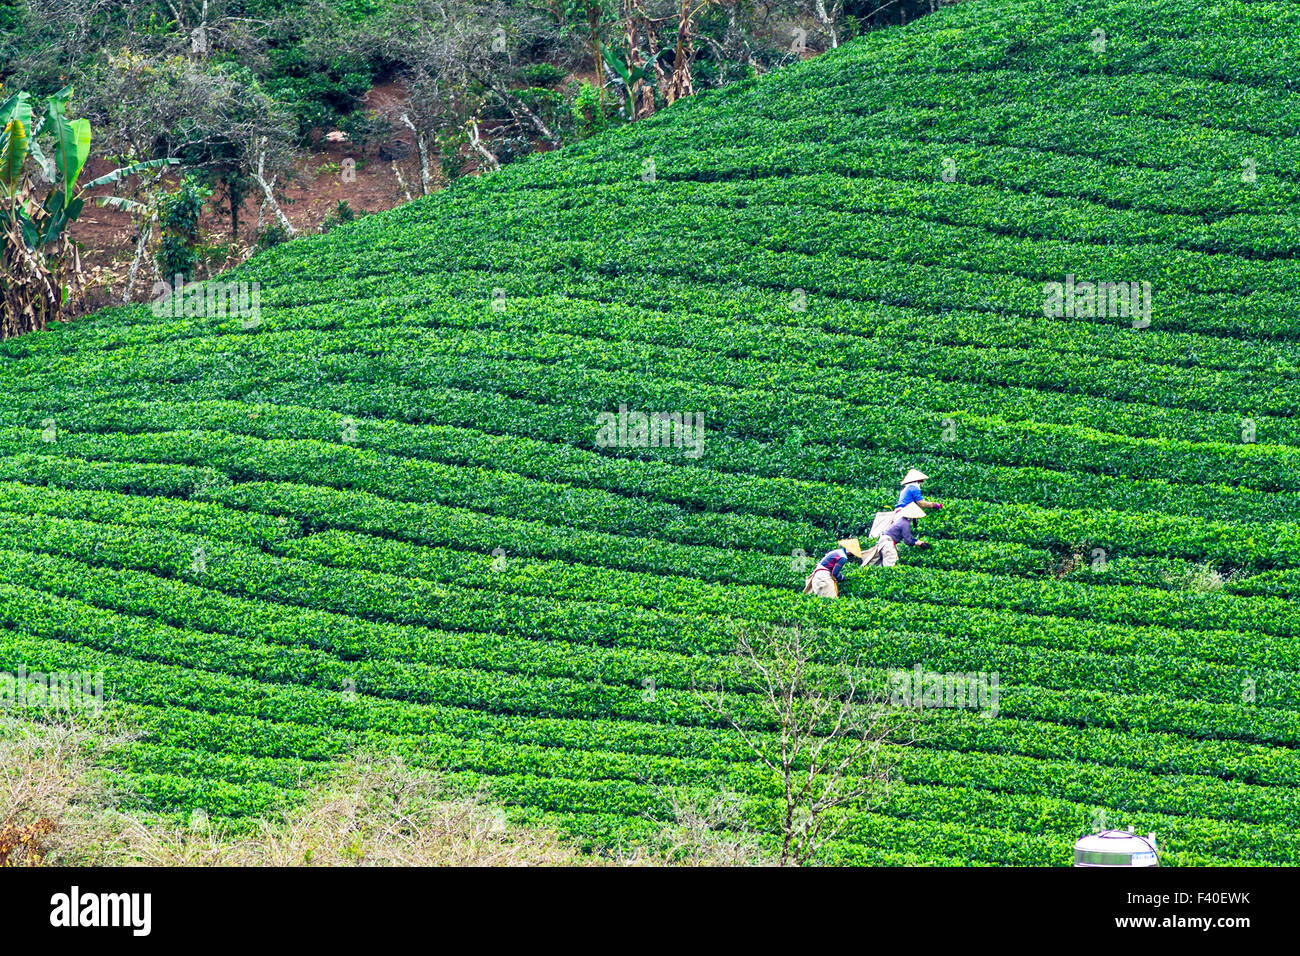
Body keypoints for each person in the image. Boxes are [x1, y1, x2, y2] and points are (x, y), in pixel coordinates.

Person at [862, 502, 930, 567]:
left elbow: (909, 536)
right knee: (890, 565)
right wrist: (919, 544)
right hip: (887, 542)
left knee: (876, 562)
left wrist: (918, 541)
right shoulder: (905, 523)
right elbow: (907, 541)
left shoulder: (902, 520)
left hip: (884, 540)